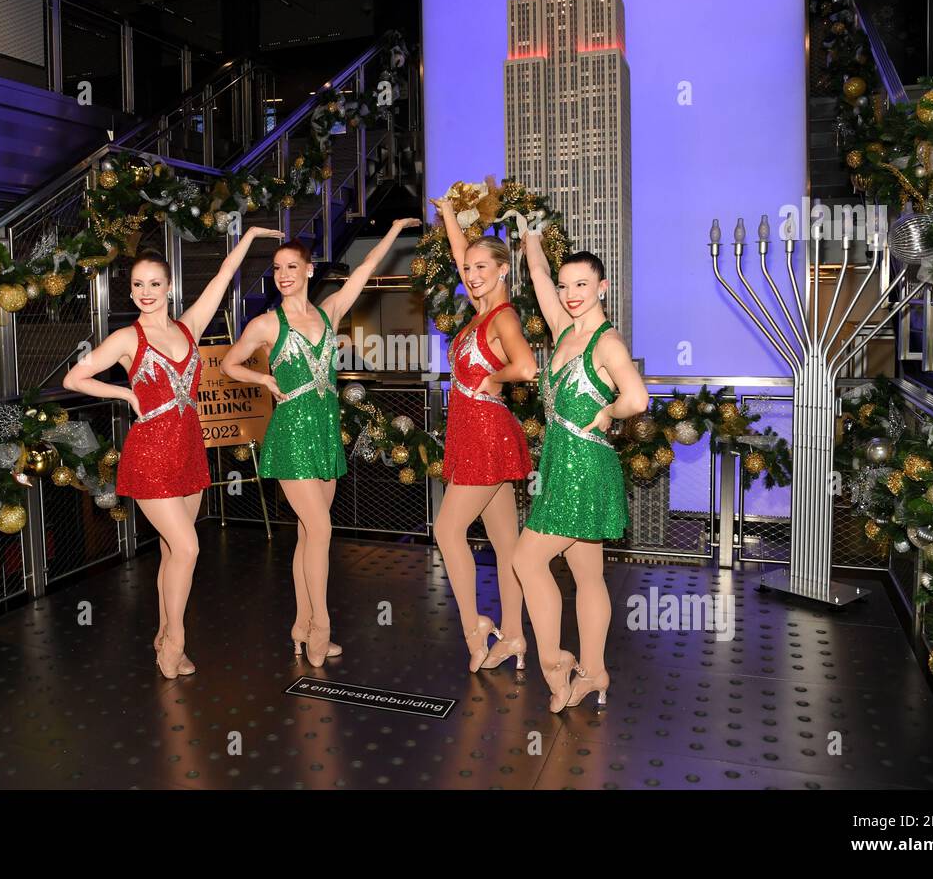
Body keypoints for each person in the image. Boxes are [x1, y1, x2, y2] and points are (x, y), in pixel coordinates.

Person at [62, 225, 284, 679]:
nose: (146, 292)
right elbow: (74, 379)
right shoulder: (127, 338)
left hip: (188, 453)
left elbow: (223, 276)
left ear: (170, 287)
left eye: (155, 284)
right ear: (131, 290)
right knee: (188, 548)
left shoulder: (189, 327)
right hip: (149, 456)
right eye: (138, 285)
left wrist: (250, 236)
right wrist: (126, 396)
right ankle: (175, 644)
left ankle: (165, 634)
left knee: (170, 553)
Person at [222, 218, 421, 667]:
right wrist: (264, 378)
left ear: (309, 270)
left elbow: (366, 269)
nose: (284, 274)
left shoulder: (329, 311)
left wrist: (392, 231)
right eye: (277, 268)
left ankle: (300, 624)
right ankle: (321, 630)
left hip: (325, 433)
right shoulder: (266, 324)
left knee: (308, 535)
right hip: (291, 434)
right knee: (322, 531)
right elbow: (230, 363)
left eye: (292, 266)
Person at [513, 231, 648, 713]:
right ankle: (595, 672)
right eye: (567, 285)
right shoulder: (564, 329)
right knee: (588, 576)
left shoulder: (607, 342)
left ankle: (555, 660)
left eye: (582, 285)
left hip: (585, 467)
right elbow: (538, 276)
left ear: (602, 287)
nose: (570, 294)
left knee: (526, 561)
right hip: (560, 463)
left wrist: (609, 414)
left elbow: (638, 399)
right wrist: (529, 237)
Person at [432, 193, 536, 672]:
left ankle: (474, 623)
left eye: (481, 268)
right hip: (474, 432)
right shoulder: (479, 310)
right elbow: (459, 254)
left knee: (447, 529)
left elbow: (528, 367)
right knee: (506, 547)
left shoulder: (503, 316)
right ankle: (513, 636)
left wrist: (495, 379)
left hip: (486, 435)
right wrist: (450, 217)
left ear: (503, 270)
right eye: (468, 269)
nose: (472, 275)